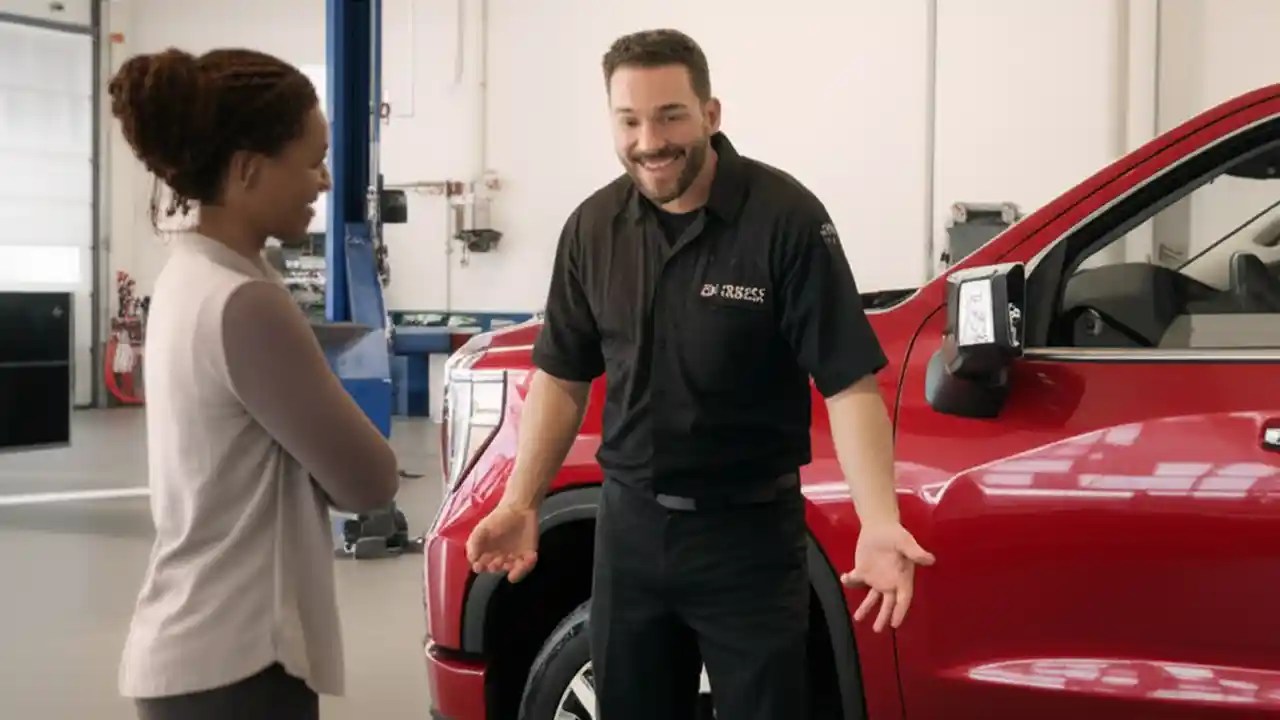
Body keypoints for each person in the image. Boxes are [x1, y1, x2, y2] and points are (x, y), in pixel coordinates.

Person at [465, 28, 935, 720]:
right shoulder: (593, 229)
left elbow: (847, 381)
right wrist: (520, 500)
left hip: (747, 536)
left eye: (670, 116)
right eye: (629, 120)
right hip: (627, 533)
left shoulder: (786, 220)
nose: (650, 140)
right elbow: (563, 379)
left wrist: (879, 519)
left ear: (711, 114)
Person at [109, 48, 400, 720]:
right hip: (238, 664)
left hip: (194, 650)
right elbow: (369, 482)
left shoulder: (190, 276)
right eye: (311, 159)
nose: (323, 180)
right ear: (246, 168)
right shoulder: (245, 301)